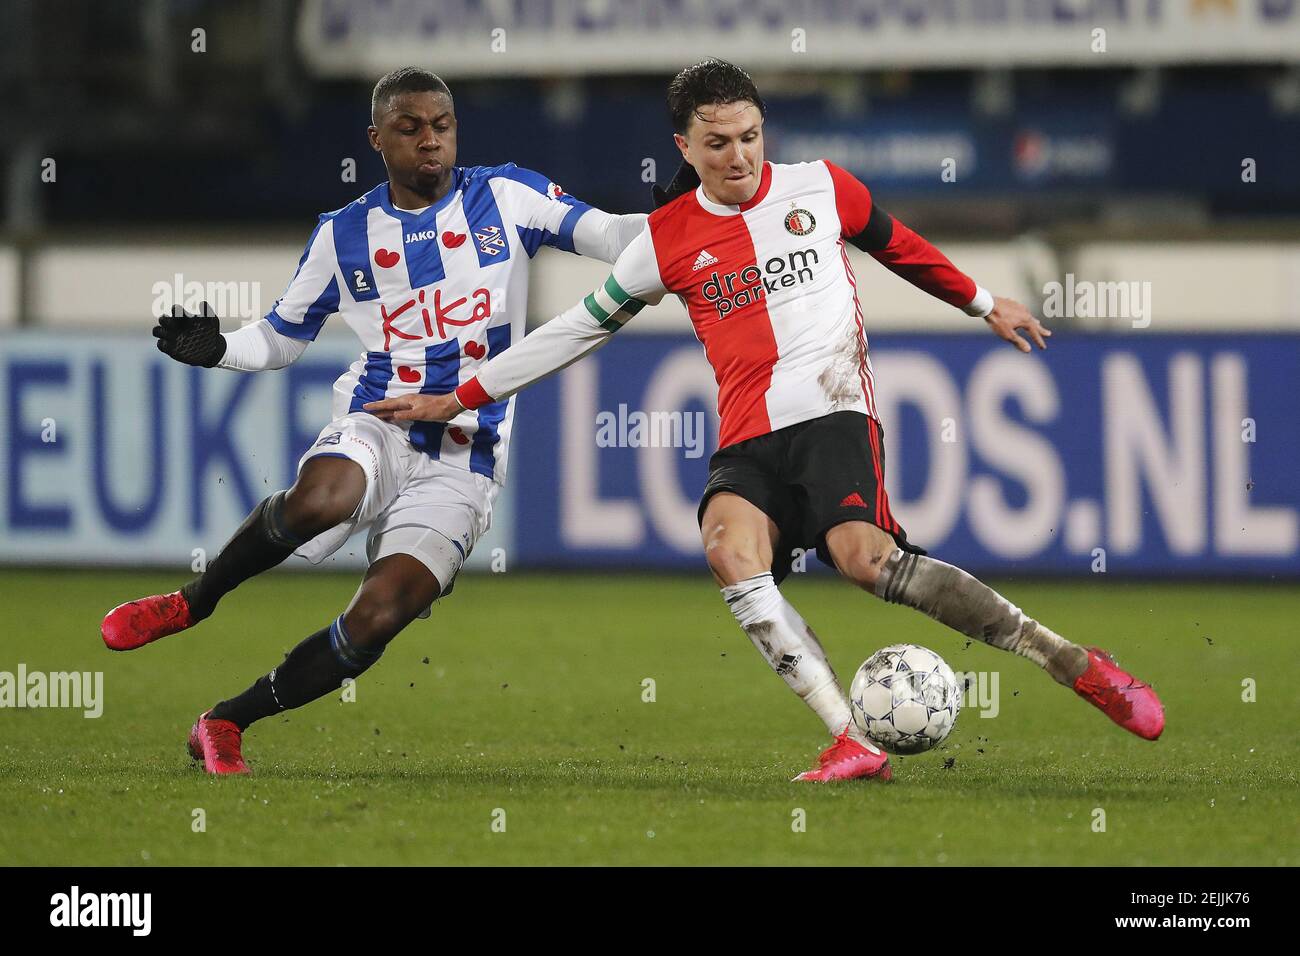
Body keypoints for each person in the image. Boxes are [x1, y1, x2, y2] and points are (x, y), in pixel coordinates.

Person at [365, 59, 1165, 783]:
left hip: (835, 415)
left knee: (863, 561)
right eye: (717, 144)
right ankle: (850, 738)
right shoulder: (662, 242)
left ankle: (1068, 660)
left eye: (749, 137)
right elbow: (574, 329)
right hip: (748, 439)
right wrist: (459, 397)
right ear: (684, 147)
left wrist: (985, 303)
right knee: (727, 549)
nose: (739, 156)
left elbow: (900, 247)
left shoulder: (821, 187)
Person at [100, 67, 648, 775]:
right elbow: (282, 337)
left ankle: (225, 722)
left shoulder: (508, 196)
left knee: (378, 618)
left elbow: (611, 234)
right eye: (409, 127)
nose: (430, 141)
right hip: (378, 422)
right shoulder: (344, 234)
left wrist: (681, 220)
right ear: (376, 139)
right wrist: (219, 351)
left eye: (441, 126)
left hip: (465, 456)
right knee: (325, 498)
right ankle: (191, 602)